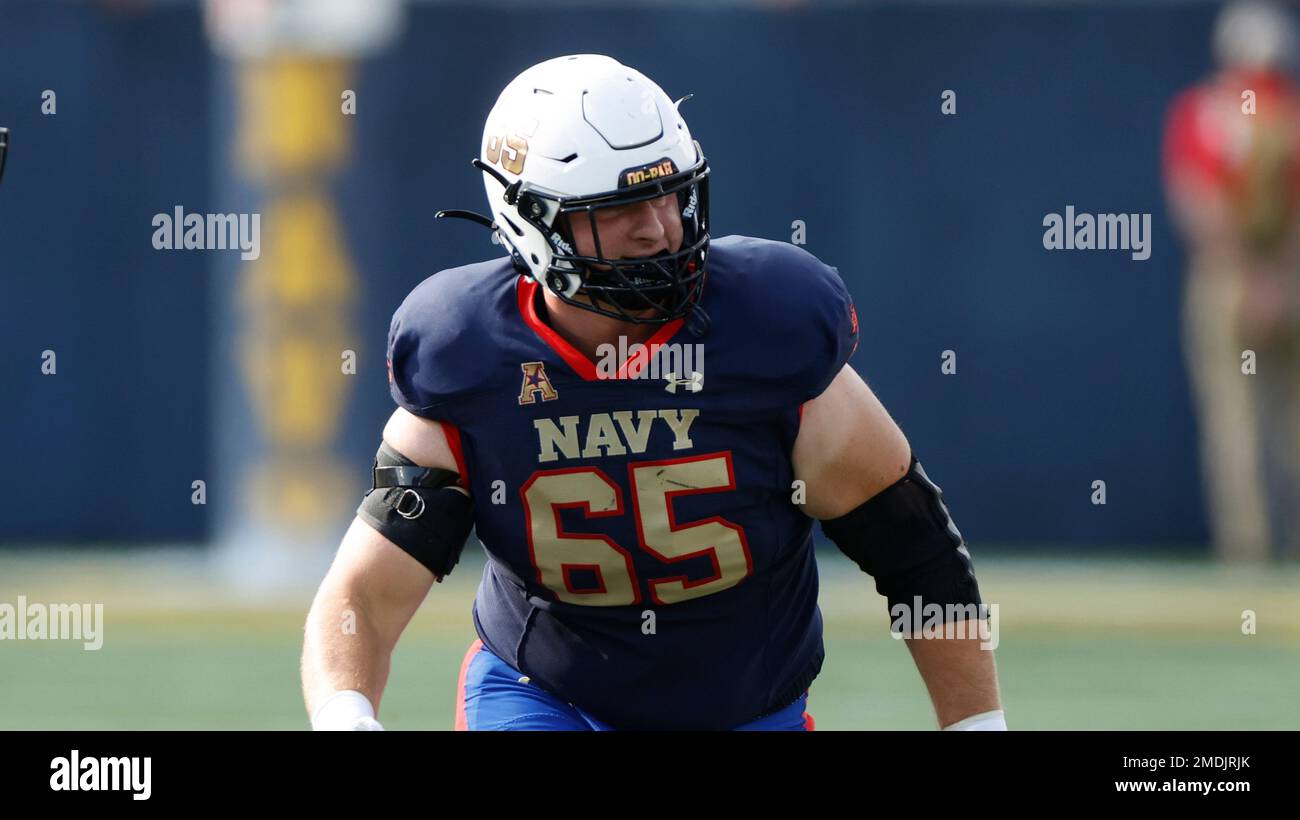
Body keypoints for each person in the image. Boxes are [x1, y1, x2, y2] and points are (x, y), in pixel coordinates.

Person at [301, 54, 1004, 730]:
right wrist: (346, 714)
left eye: (670, 193)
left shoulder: (766, 329)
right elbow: (364, 591)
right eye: (618, 208)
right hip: (542, 695)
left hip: (746, 708)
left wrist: (977, 724)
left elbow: (917, 552)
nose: (659, 227)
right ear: (532, 221)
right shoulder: (469, 354)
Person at [1163, 0, 1300, 560]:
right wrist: (1276, 277)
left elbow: (1196, 204)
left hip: (1228, 281)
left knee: (1233, 422)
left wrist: (1248, 277)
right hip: (1287, 279)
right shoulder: (1288, 115)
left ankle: (1247, 561)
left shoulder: (1203, 111)